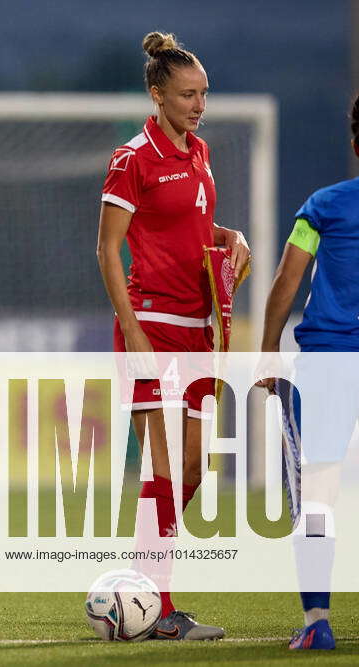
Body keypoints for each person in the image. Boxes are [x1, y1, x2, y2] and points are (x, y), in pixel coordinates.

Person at [96, 31, 250, 640]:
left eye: (203, 94)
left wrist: (229, 238)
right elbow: (108, 250)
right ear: (157, 95)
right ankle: (158, 608)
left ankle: (139, 578)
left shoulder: (199, 152)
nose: (199, 105)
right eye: (188, 94)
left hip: (198, 330)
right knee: (161, 467)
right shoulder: (131, 158)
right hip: (152, 325)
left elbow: (191, 226)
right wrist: (132, 330)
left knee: (191, 468)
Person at [256, 93, 359, 651]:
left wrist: (268, 349)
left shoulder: (322, 207)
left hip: (328, 365)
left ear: (355, 144)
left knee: (318, 493)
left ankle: (317, 622)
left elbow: (287, 281)